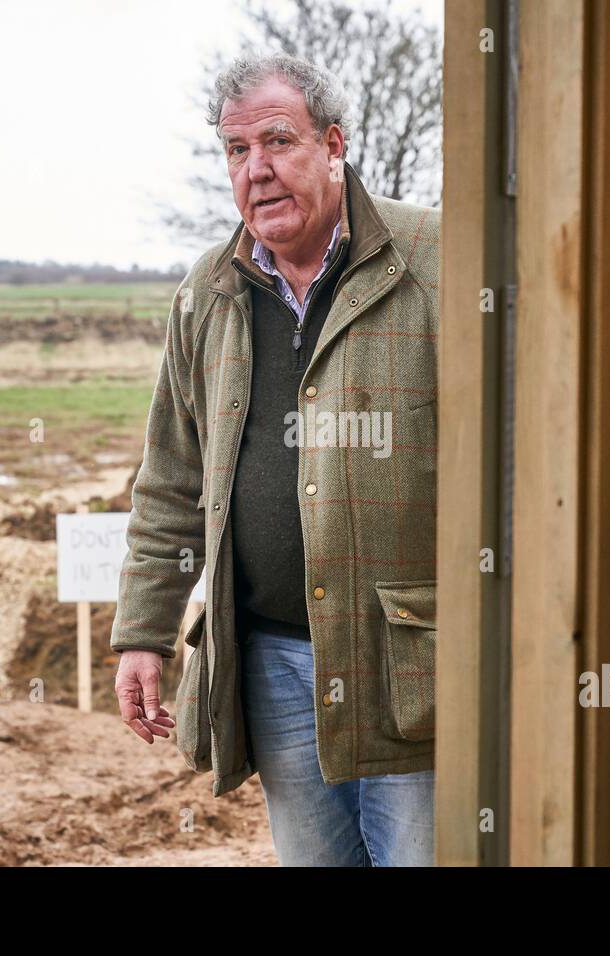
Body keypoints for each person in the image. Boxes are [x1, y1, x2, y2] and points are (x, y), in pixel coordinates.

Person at [111, 51, 440, 867]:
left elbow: (516, 469)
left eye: (279, 141)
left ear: (334, 144)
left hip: (418, 666)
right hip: (271, 662)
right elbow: (170, 482)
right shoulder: (208, 292)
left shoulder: (439, 263)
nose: (256, 170)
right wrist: (142, 634)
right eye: (235, 150)